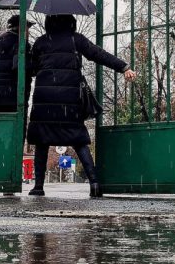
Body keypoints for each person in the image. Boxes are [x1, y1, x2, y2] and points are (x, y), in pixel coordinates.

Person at [26, 14, 137, 197]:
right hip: (69, 99)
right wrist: (123, 67)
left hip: (44, 99)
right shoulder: (76, 40)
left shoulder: (41, 42)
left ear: (48, 22)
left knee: (42, 140)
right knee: (79, 140)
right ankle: (94, 183)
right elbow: (98, 54)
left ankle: (38, 186)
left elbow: (31, 69)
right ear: (71, 21)